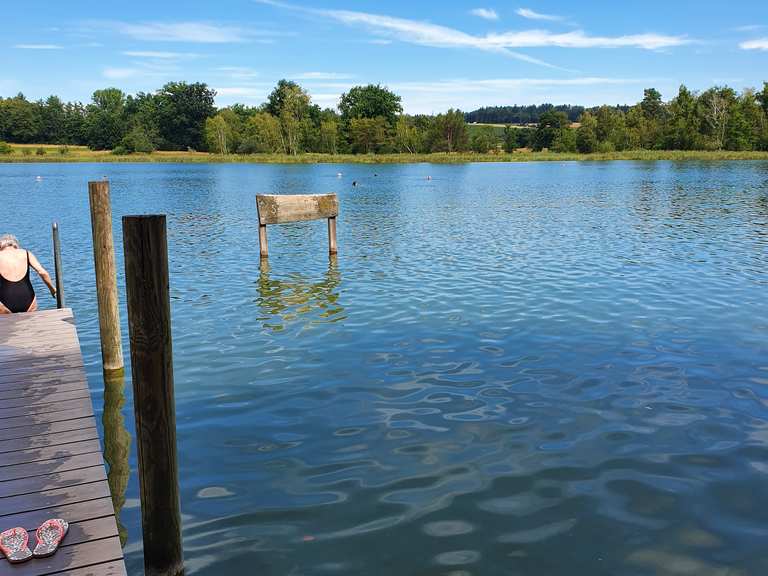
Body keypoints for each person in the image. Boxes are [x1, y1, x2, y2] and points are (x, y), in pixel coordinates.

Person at [0, 234, 56, 314]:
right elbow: (43, 273)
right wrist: (52, 290)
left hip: (4, 300)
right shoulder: (26, 253)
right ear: (16, 245)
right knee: (30, 324)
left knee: (5, 326)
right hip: (28, 299)